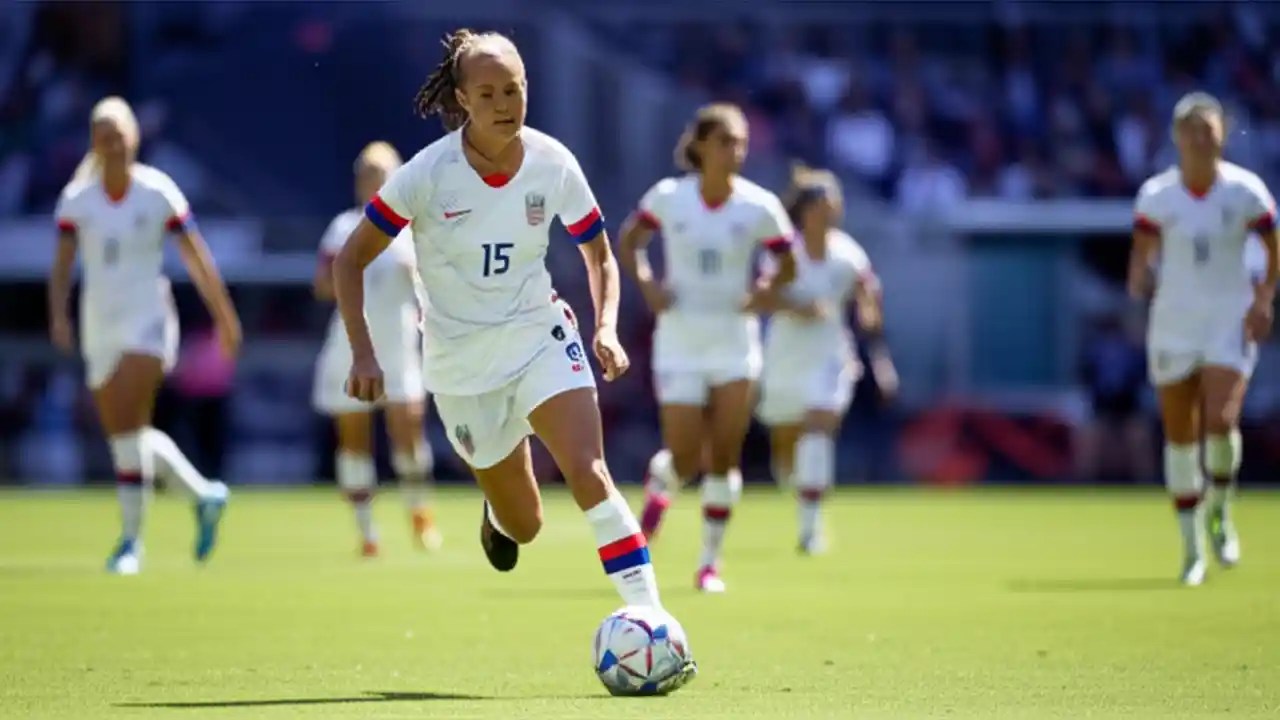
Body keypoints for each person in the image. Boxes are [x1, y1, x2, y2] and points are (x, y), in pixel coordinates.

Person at [333, 30, 669, 615]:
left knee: (589, 472)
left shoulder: (552, 162)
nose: (504, 103)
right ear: (461, 99)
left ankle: (653, 620)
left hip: (538, 335)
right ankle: (499, 514)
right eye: (487, 93)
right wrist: (364, 352)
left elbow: (599, 255)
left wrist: (606, 327)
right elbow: (350, 258)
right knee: (526, 524)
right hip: (460, 365)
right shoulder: (426, 174)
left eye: (513, 89)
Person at [49, 97, 241, 575]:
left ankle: (131, 542)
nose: (113, 144)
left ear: (134, 138)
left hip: (148, 322)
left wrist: (225, 316)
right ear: (94, 141)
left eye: (120, 134)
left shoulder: (158, 192)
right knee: (125, 438)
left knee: (132, 427)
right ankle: (203, 494)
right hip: (100, 324)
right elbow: (62, 265)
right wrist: (58, 315)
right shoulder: (77, 199)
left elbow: (197, 257)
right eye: (104, 135)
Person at [618, 103, 796, 593]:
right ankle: (659, 494)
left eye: (740, 142)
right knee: (683, 457)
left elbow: (788, 260)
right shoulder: (670, 197)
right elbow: (630, 240)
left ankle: (708, 563)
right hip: (679, 340)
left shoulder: (758, 205)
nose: (735, 152)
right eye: (725, 142)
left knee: (723, 455)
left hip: (734, 342)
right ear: (700, 146)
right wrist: (650, 286)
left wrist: (763, 286)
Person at [1128, 92, 1277, 587]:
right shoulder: (1157, 196)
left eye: (1207, 130)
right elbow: (1141, 260)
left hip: (1226, 320)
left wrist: (1263, 300)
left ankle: (1221, 505)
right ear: (1175, 138)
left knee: (1221, 418)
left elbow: (1272, 246)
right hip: (1174, 322)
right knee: (1179, 435)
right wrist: (1138, 285)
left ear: (1222, 135)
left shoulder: (1245, 192)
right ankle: (1191, 549)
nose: (1197, 139)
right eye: (1188, 131)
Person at [755, 164, 892, 554]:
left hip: (830, 357)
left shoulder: (849, 254)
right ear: (807, 210)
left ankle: (810, 530)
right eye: (824, 202)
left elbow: (869, 303)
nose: (832, 209)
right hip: (785, 357)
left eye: (836, 202)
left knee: (818, 429)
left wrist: (878, 351)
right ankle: (797, 489)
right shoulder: (786, 253)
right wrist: (797, 307)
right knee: (786, 448)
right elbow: (761, 296)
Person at [313, 141, 441, 557]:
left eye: (381, 174)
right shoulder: (342, 228)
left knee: (408, 433)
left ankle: (420, 518)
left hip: (399, 346)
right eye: (367, 174)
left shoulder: (414, 231)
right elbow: (321, 286)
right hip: (350, 346)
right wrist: (350, 271)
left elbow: (438, 288)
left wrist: (416, 272)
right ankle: (367, 533)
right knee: (354, 437)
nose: (374, 182)